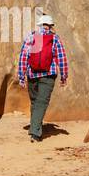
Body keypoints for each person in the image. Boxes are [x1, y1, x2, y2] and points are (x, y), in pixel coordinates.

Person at [17, 13, 68, 142]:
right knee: (41, 102)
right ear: (50, 26)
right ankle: (35, 132)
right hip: (48, 75)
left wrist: (21, 76)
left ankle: (35, 129)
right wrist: (64, 76)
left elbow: (24, 57)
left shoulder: (32, 36)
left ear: (39, 24)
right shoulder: (54, 38)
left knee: (35, 102)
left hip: (32, 74)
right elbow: (61, 58)